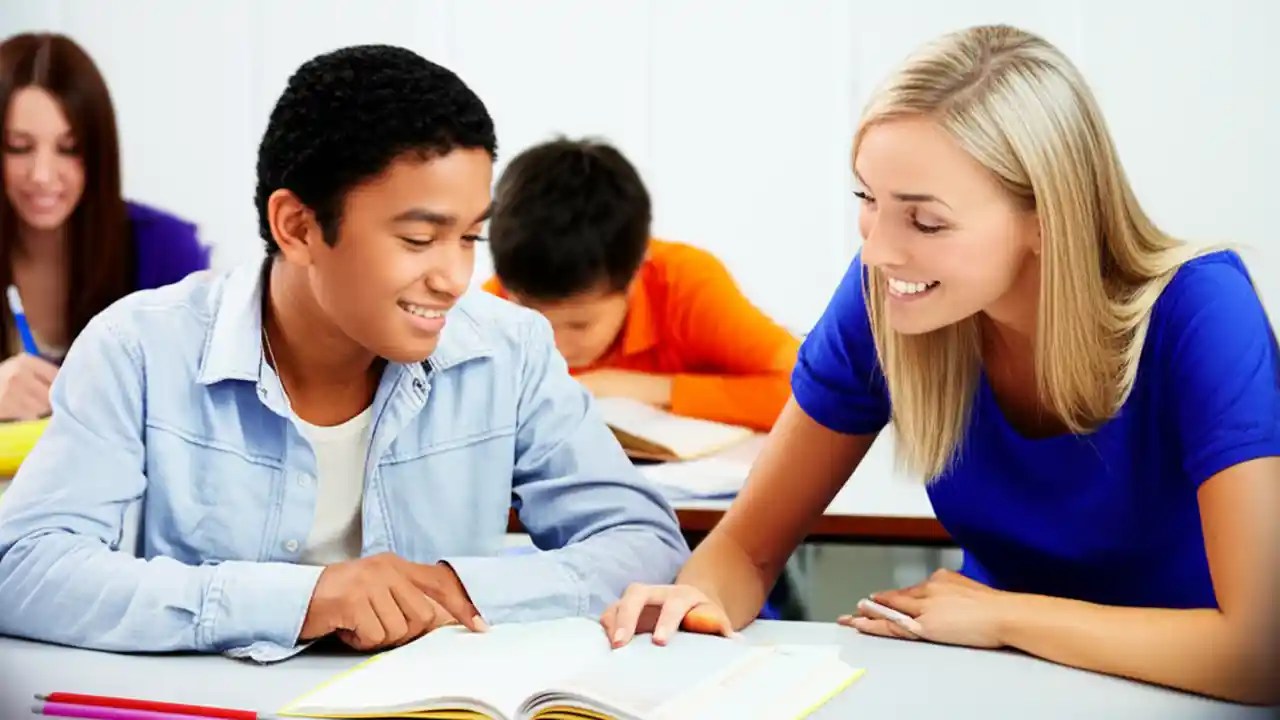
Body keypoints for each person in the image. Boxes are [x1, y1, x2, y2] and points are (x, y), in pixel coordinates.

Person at [602, 24, 1279, 705]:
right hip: (987, 684)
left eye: (925, 222)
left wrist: (1006, 615)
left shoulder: (1201, 311)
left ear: (1047, 215)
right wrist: (694, 602)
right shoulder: (888, 295)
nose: (878, 252)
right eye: (868, 201)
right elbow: (745, 552)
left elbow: (1260, 651)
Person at [0, 44, 687, 662]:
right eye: (420, 239)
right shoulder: (140, 349)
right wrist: (304, 601)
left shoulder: (509, 349)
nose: (454, 277)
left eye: (471, 238)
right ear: (297, 227)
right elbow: (21, 567)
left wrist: (455, 587)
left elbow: (642, 540)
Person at [483, 138, 798, 431]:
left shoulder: (685, 286)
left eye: (579, 326)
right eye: (533, 321)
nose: (555, 346)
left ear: (635, 276)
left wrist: (643, 388)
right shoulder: (491, 308)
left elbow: (815, 391)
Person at [0, 33, 208, 420]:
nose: (43, 175)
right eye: (18, 147)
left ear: (98, 151)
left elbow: (198, 403)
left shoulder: (164, 249)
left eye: (69, 149)